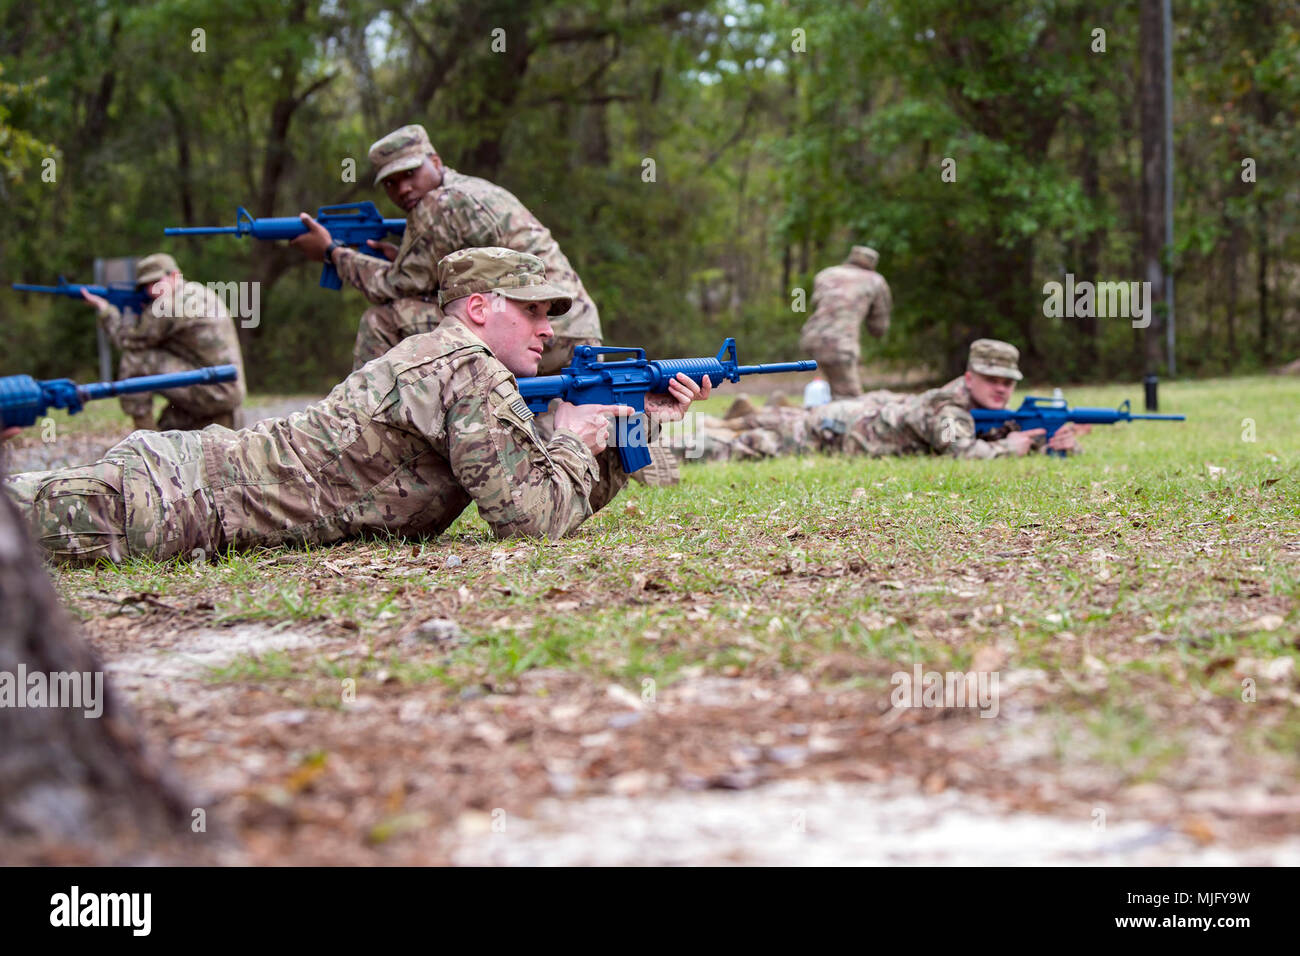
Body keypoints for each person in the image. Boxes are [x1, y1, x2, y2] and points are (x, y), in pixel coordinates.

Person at [5, 248, 708, 566]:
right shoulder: (465, 369)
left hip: (190, 486)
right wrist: (576, 438)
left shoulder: (449, 362)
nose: (549, 329)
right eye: (532, 312)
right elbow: (533, 523)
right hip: (178, 501)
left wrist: (620, 429)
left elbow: (545, 497)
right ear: (479, 308)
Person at [291, 123, 602, 375]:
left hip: (542, 331)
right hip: (578, 331)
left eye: (410, 173)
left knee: (381, 321)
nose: (403, 189)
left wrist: (332, 253)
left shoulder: (438, 204)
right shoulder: (472, 188)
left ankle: (366, 427)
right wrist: (401, 261)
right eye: (391, 183)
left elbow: (393, 287)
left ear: (436, 162)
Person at [678, 338, 1083, 462]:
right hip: (833, 432)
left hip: (847, 415)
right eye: (992, 380)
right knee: (748, 449)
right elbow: (961, 450)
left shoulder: (975, 405)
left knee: (770, 423)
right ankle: (669, 443)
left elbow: (999, 426)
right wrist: (1013, 449)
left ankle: (753, 414)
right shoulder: (949, 407)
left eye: (1008, 383)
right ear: (969, 377)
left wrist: (1047, 438)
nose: (1002, 390)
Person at [79, 253, 246, 430]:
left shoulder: (168, 305)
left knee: (136, 359)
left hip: (215, 393)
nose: (151, 290)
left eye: (156, 282)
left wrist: (105, 311)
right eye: (146, 286)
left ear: (174, 275)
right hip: (225, 391)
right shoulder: (197, 292)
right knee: (168, 426)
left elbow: (128, 341)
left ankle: (145, 439)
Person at [798, 245, 892, 398]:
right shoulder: (876, 280)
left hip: (811, 337)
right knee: (850, 400)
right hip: (840, 344)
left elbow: (818, 304)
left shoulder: (826, 274)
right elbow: (878, 327)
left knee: (833, 391)